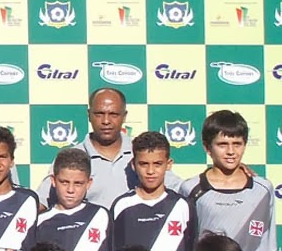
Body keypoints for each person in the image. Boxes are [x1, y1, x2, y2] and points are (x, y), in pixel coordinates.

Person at [36, 87, 181, 209]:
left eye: (113, 114)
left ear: (124, 116)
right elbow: (41, 202)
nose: (106, 121)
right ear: (89, 115)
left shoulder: (141, 153)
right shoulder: (71, 157)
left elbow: (180, 189)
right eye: (99, 114)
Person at [178, 110, 277, 251]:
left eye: (237, 144)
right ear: (207, 147)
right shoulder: (190, 189)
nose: (231, 151)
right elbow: (185, 249)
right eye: (222, 144)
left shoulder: (263, 189)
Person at [109, 132, 196, 251]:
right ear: (133, 165)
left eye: (157, 164)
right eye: (143, 164)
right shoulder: (121, 206)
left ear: (169, 164)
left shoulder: (183, 205)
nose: (150, 171)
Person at [35, 148, 111, 251]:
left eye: (78, 183)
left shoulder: (102, 215)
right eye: (64, 182)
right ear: (53, 181)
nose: (70, 190)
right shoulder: (40, 222)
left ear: (89, 183)